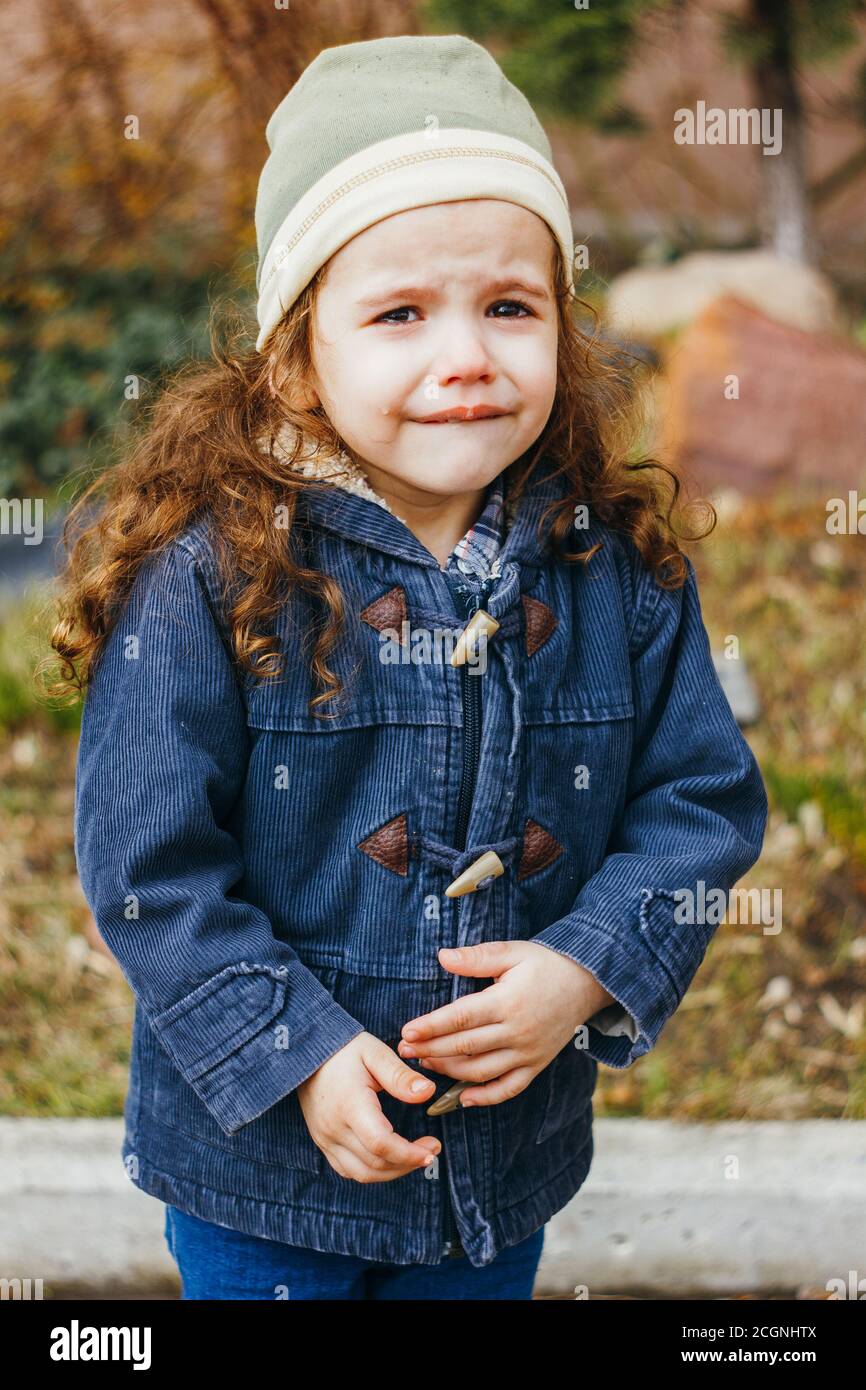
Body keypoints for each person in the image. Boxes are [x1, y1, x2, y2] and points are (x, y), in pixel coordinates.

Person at [50, 34, 768, 1300]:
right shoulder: (212, 577)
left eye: (508, 305)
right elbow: (149, 865)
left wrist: (584, 963)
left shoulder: (616, 568)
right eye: (397, 314)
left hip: (499, 1165)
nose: (466, 357)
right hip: (262, 1173)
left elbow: (698, 804)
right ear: (293, 352)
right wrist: (300, 1055)